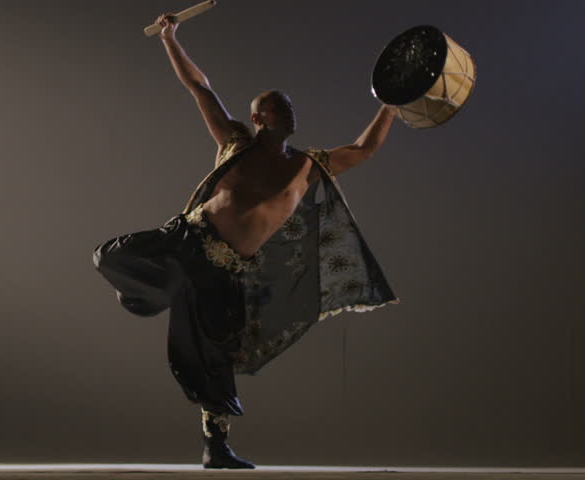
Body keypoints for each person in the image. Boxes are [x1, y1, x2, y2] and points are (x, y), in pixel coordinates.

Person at [92, 12, 400, 469]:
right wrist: (170, 38)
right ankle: (152, 295)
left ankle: (216, 448)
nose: (290, 112)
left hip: (225, 271)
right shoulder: (235, 141)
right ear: (258, 118)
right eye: (279, 107)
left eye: (290, 107)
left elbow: (363, 149)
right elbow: (200, 87)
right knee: (109, 256)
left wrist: (390, 104)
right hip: (185, 241)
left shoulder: (308, 165)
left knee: (214, 357)